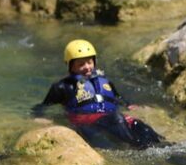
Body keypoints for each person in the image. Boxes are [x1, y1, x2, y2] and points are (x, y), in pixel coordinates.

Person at [32, 39, 165, 149]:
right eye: (81, 64)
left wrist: (128, 105)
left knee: (141, 126)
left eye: (89, 62)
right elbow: (42, 106)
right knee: (117, 119)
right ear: (70, 66)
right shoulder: (62, 86)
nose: (87, 67)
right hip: (87, 122)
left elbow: (117, 97)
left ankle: (164, 147)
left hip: (110, 117)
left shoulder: (104, 81)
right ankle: (139, 148)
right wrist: (39, 116)